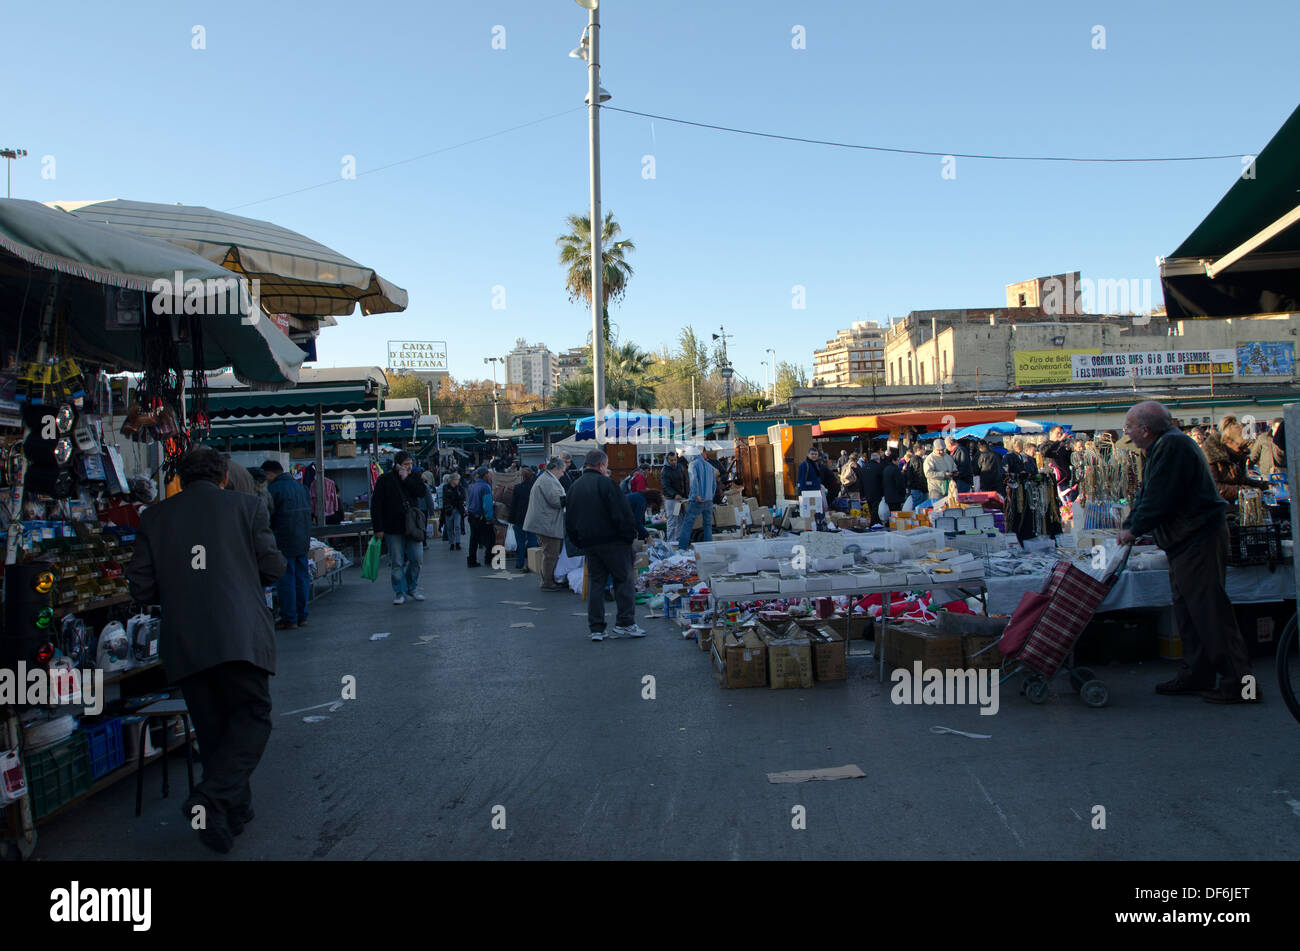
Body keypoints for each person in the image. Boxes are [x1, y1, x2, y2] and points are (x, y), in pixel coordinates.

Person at [125, 447, 285, 854]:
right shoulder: (247, 508)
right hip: (239, 635)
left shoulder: (155, 517)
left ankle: (233, 811)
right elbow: (272, 568)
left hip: (187, 641)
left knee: (214, 729)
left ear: (181, 476)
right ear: (224, 477)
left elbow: (141, 587)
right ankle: (212, 799)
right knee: (252, 717)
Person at [1117, 401, 1256, 704]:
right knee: (1189, 610)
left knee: (1210, 611)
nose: (1127, 433)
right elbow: (1147, 493)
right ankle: (1197, 673)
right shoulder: (1164, 446)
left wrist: (1134, 528)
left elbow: (1159, 496)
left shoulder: (1172, 447)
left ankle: (1242, 686)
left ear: (1145, 429)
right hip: (1185, 539)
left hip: (1198, 536)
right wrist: (1131, 523)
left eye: (1129, 428)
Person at [565, 449, 644, 641]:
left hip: (590, 543)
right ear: (602, 465)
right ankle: (625, 623)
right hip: (613, 541)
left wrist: (579, 541)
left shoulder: (574, 487)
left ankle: (597, 629)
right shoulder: (607, 484)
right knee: (623, 580)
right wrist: (628, 537)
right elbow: (622, 514)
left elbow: (570, 519)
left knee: (596, 584)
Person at [261, 460, 312, 630]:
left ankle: (290, 618)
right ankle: (302, 616)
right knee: (302, 578)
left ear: (270, 474)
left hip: (283, 541)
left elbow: (268, 518)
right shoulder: (301, 488)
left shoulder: (273, 490)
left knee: (286, 580)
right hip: (303, 540)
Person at [370, 451, 427, 603]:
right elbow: (376, 505)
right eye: (405, 464)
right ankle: (399, 592)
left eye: (410, 464)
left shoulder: (414, 477)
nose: (409, 467)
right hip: (392, 528)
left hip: (412, 527)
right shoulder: (384, 480)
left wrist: (407, 479)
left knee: (417, 559)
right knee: (397, 562)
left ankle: (411, 587)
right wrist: (378, 528)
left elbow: (421, 492)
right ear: (397, 465)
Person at [524, 456, 568, 591]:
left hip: (544, 522)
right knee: (551, 553)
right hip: (546, 524)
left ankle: (548, 579)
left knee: (549, 552)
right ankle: (547, 582)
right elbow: (556, 501)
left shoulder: (546, 478)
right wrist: (571, 497)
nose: (563, 474)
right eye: (562, 471)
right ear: (555, 469)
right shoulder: (548, 481)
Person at [1201, 431, 1268, 502]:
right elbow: (1214, 487)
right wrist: (1244, 490)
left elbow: (1241, 480)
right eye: (1241, 446)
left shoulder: (1236, 458)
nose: (1244, 449)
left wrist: (1262, 485)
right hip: (1216, 506)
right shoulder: (1211, 460)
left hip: (1232, 504)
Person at [679, 448, 717, 549]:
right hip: (709, 500)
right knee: (708, 526)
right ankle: (708, 549)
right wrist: (710, 496)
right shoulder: (709, 466)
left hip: (697, 499)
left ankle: (682, 549)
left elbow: (693, 480)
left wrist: (696, 495)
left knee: (687, 525)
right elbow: (714, 485)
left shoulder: (693, 464)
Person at [464, 466, 495, 568]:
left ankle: (472, 560)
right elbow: (487, 504)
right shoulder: (485, 487)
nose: (490, 475)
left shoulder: (473, 486)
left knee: (474, 539)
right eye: (488, 473)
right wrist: (489, 518)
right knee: (490, 539)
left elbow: (470, 501)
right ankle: (489, 559)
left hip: (472, 515)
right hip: (481, 517)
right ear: (485, 475)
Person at [509, 466, 538, 571]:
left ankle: (519, 562)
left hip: (519, 518)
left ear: (522, 477)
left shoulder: (517, 488)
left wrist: (511, 519)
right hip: (532, 518)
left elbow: (514, 505)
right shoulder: (535, 487)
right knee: (532, 541)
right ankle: (532, 563)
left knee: (520, 542)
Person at [660, 450, 687, 545]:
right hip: (672, 500)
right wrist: (675, 494)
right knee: (672, 520)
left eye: (675, 460)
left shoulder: (679, 467)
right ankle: (671, 541)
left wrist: (685, 494)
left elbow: (684, 481)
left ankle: (678, 539)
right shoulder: (665, 470)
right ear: (667, 460)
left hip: (680, 499)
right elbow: (665, 486)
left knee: (680, 519)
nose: (673, 462)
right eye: (671, 460)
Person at [442, 472, 466, 549]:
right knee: (449, 527)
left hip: (457, 509)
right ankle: (451, 542)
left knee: (457, 526)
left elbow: (463, 497)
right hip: (449, 509)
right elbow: (446, 498)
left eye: (458, 479)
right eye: (456, 479)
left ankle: (457, 542)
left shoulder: (460, 488)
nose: (458, 481)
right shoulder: (446, 487)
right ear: (452, 480)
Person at [859, 452, 884, 525]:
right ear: (878, 459)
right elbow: (882, 480)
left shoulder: (864, 467)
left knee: (871, 507)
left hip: (867, 492)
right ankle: (873, 523)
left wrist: (862, 493)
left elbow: (861, 482)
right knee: (876, 509)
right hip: (877, 491)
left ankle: (875, 523)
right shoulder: (879, 467)